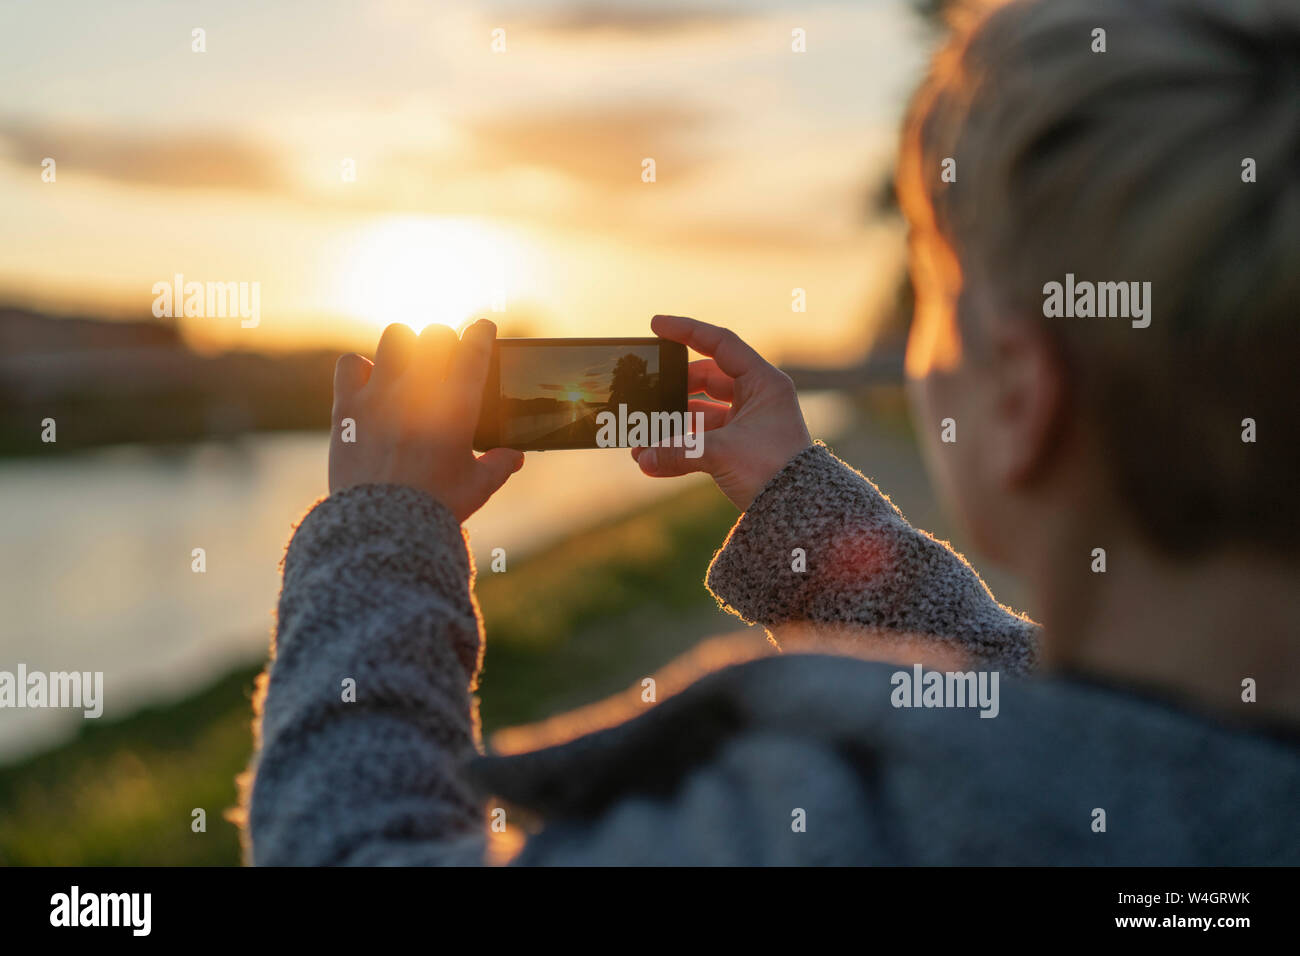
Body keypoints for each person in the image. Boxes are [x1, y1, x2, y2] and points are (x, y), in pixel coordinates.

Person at [242, 0, 1300, 864]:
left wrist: (381, 533)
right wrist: (798, 500)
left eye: (929, 300)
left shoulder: (827, 830)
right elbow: (1050, 710)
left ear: (1021, 398)